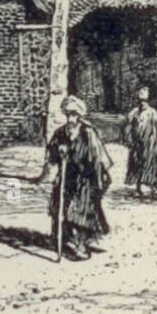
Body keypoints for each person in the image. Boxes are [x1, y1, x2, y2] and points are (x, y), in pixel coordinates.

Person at [44, 95, 112, 260]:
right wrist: (58, 152)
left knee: (80, 211)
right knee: (60, 208)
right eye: (67, 114)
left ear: (80, 115)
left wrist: (96, 178)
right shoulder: (60, 133)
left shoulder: (88, 133)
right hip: (67, 178)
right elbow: (51, 157)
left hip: (85, 179)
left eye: (74, 114)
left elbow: (99, 159)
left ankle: (80, 243)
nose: (70, 118)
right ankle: (64, 238)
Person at [123, 86, 157, 198]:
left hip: (148, 143)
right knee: (136, 163)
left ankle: (149, 185)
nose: (142, 103)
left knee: (148, 163)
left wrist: (155, 142)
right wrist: (129, 139)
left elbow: (155, 128)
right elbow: (128, 127)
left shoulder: (152, 113)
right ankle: (138, 186)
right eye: (140, 101)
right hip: (136, 143)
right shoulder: (134, 113)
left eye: (145, 101)